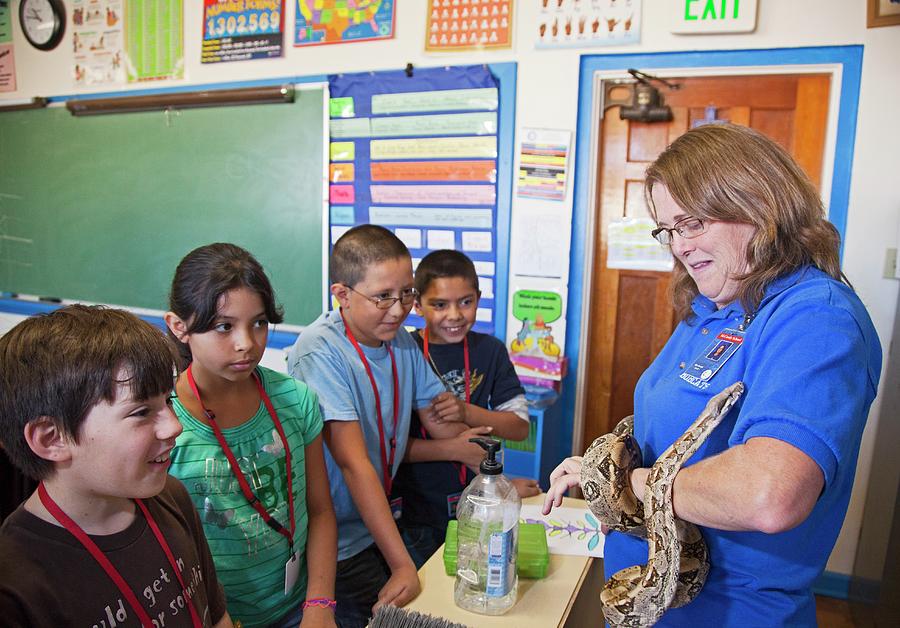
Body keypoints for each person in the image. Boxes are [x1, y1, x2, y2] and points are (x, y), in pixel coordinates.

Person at [544, 123, 882, 625]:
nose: (679, 246)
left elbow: (769, 495)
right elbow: (669, 427)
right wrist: (598, 464)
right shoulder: (716, 306)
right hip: (651, 596)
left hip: (730, 611)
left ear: (759, 205)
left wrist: (626, 484)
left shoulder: (817, 319)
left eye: (694, 223)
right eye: (669, 230)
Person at [286, 225, 489, 628]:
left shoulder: (399, 342)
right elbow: (353, 463)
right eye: (383, 297)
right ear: (342, 294)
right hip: (333, 545)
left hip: (379, 525)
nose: (398, 310)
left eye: (407, 293)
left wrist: (491, 483)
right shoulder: (319, 350)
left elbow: (442, 420)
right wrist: (401, 565)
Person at [0, 305, 231, 627]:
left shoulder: (170, 496)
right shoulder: (15, 585)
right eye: (140, 412)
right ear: (52, 438)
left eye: (168, 402)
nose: (174, 426)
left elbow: (216, 615)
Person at [164, 243, 337, 628]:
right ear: (179, 327)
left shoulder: (296, 401)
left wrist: (320, 602)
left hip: (297, 607)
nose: (247, 342)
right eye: (224, 326)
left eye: (258, 323)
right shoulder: (162, 426)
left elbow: (321, 509)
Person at [392, 249, 540, 568]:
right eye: (439, 304)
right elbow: (389, 449)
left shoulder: (490, 350)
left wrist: (466, 412)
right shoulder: (404, 352)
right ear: (417, 305)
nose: (455, 315)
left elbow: (519, 427)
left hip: (479, 503)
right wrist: (455, 450)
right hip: (416, 512)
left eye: (466, 301)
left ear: (478, 297)